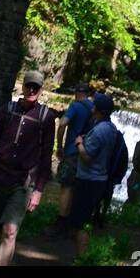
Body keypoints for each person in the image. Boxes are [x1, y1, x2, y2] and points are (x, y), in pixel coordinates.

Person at [0, 68, 55, 266]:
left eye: (36, 87)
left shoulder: (47, 118)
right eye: (28, 85)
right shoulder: (2, 111)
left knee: (10, 231)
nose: (31, 90)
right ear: (22, 86)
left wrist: (39, 190)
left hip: (22, 183)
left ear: (40, 90)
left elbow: (46, 157)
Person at [69, 91, 119, 258]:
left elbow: (87, 157)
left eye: (95, 104)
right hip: (101, 180)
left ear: (98, 110)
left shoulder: (98, 131)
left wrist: (79, 143)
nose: (92, 106)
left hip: (88, 181)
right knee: (85, 221)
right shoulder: (111, 128)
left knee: (80, 223)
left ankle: (82, 259)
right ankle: (82, 257)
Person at [53, 82, 93, 234]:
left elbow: (62, 123)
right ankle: (74, 223)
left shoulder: (75, 106)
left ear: (77, 93)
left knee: (66, 187)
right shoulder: (94, 108)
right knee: (78, 188)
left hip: (72, 152)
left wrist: (60, 146)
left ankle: (61, 223)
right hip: (88, 153)